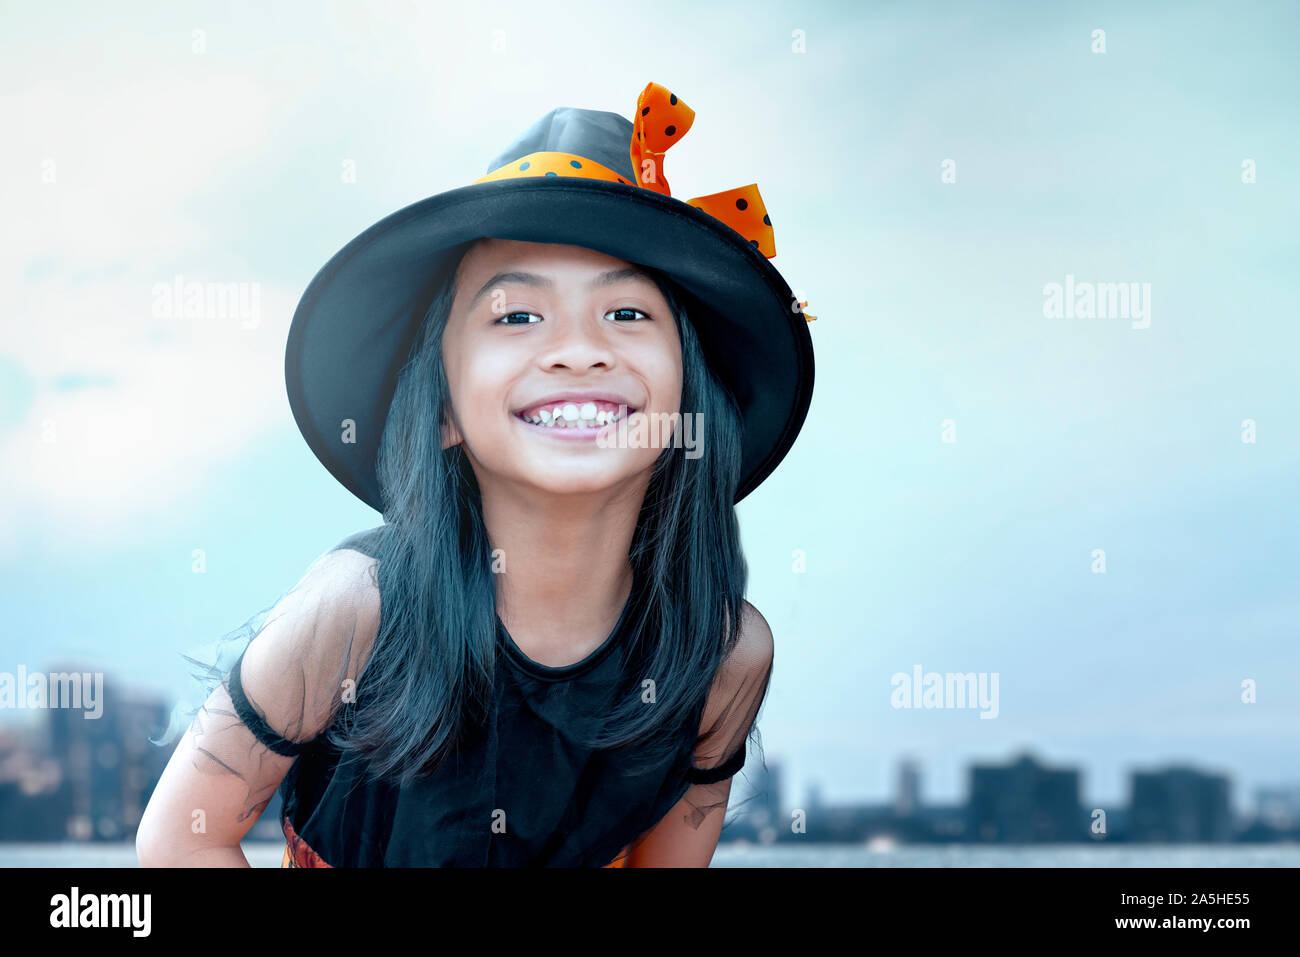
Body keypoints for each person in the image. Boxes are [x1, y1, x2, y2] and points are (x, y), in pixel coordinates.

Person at [137, 81, 815, 867]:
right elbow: (181, 838)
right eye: (515, 314)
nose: (577, 349)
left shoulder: (723, 656)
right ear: (443, 412)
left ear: (690, 402)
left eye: (628, 313)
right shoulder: (355, 610)